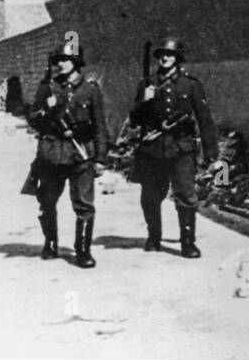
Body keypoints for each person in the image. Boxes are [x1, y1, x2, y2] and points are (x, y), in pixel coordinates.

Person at [129, 38, 216, 258]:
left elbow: (204, 119)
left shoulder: (190, 85)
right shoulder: (146, 84)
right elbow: (134, 120)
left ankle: (188, 242)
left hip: (181, 148)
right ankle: (154, 237)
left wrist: (211, 153)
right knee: (150, 195)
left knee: (186, 196)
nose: (165, 58)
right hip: (153, 149)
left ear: (177, 58)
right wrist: (144, 102)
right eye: (161, 55)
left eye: (170, 54)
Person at [27, 42, 108, 268]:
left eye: (65, 60)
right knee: (47, 201)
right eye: (57, 61)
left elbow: (100, 125)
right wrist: (47, 110)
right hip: (52, 154)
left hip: (80, 154)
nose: (60, 64)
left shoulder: (90, 89)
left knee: (84, 204)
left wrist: (101, 158)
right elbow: (33, 119)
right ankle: (50, 243)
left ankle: (83, 250)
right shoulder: (47, 88)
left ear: (76, 62)